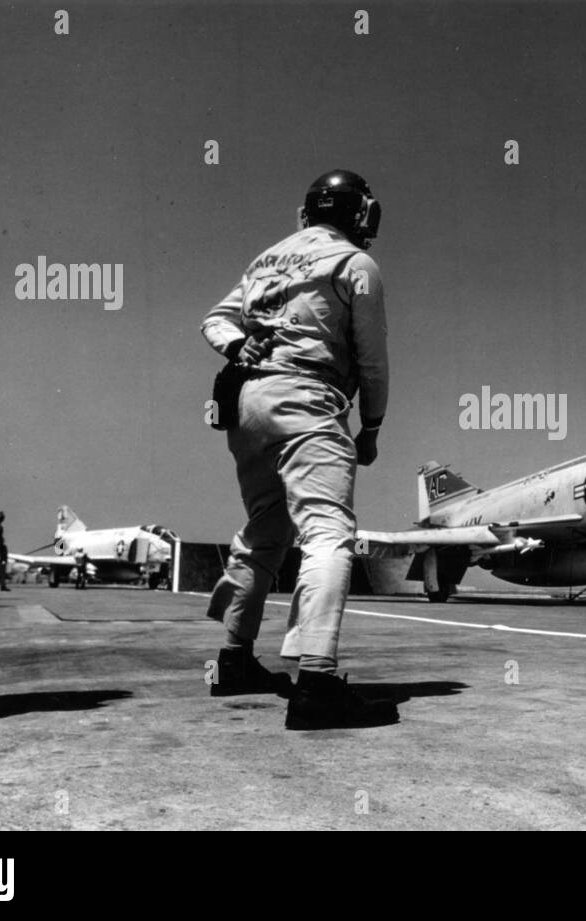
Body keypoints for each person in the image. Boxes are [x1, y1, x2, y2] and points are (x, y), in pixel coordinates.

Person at [201, 169, 394, 730]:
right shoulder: (355, 264)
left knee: (265, 530)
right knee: (328, 531)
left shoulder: (268, 260)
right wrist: (373, 427)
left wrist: (239, 346)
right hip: (308, 396)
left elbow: (214, 320)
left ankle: (233, 661)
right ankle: (316, 683)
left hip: (249, 407)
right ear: (362, 213)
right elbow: (373, 357)